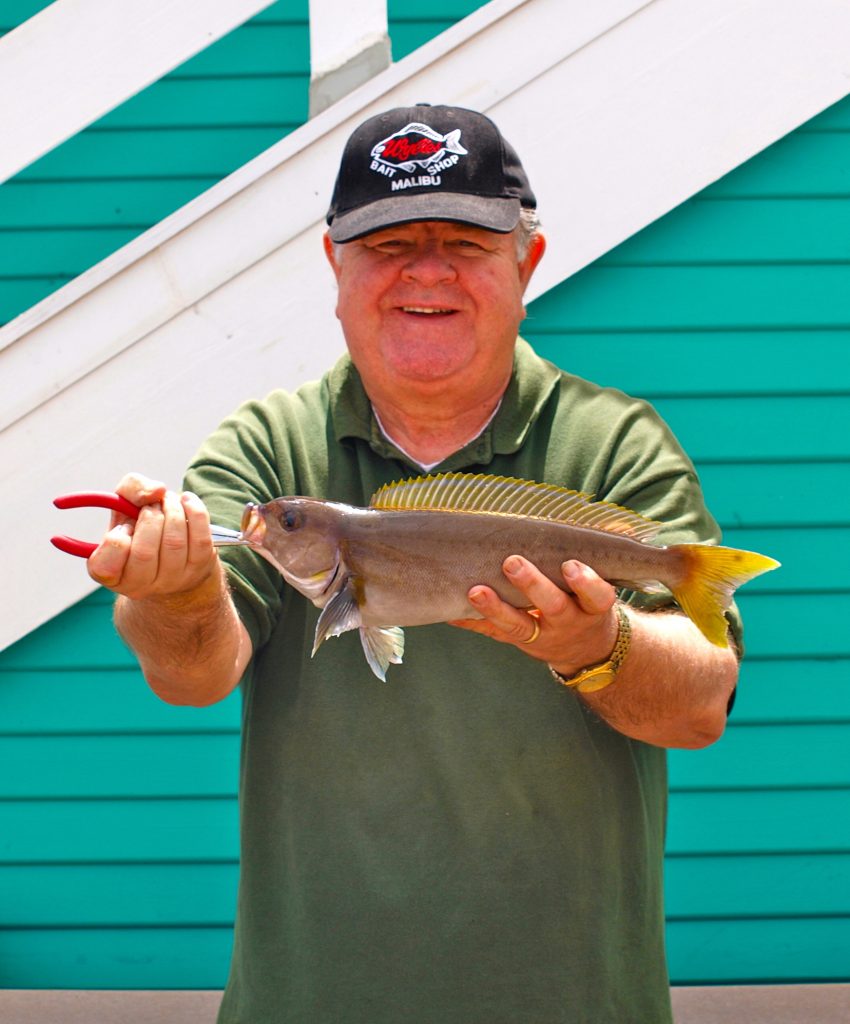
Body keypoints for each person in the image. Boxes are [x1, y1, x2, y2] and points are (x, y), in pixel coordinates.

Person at [89, 104, 740, 1023]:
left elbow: (702, 703)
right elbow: (196, 671)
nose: (424, 271)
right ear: (336, 268)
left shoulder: (614, 444)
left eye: (465, 242)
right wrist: (174, 594)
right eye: (388, 242)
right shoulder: (268, 448)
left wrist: (601, 643)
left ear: (528, 263)